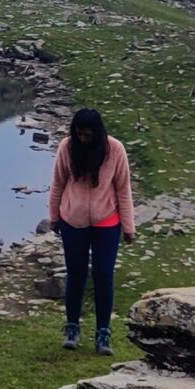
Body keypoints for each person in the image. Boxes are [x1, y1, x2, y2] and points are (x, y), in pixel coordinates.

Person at [48, 107, 136, 356]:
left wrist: (128, 226)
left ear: (97, 134)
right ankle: (73, 327)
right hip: (72, 219)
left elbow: (123, 188)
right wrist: (54, 217)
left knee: (103, 274)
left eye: (88, 135)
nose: (83, 139)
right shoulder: (67, 147)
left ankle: (103, 332)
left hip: (107, 220)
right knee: (76, 274)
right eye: (79, 135)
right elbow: (58, 183)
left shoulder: (115, 149)